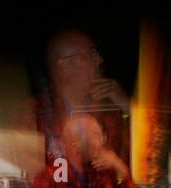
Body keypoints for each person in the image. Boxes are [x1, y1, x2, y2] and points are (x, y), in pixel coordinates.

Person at [25, 29, 131, 176]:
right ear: (64, 65)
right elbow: (27, 174)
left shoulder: (109, 110)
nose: (100, 59)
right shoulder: (36, 113)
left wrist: (127, 108)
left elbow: (141, 166)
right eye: (91, 54)